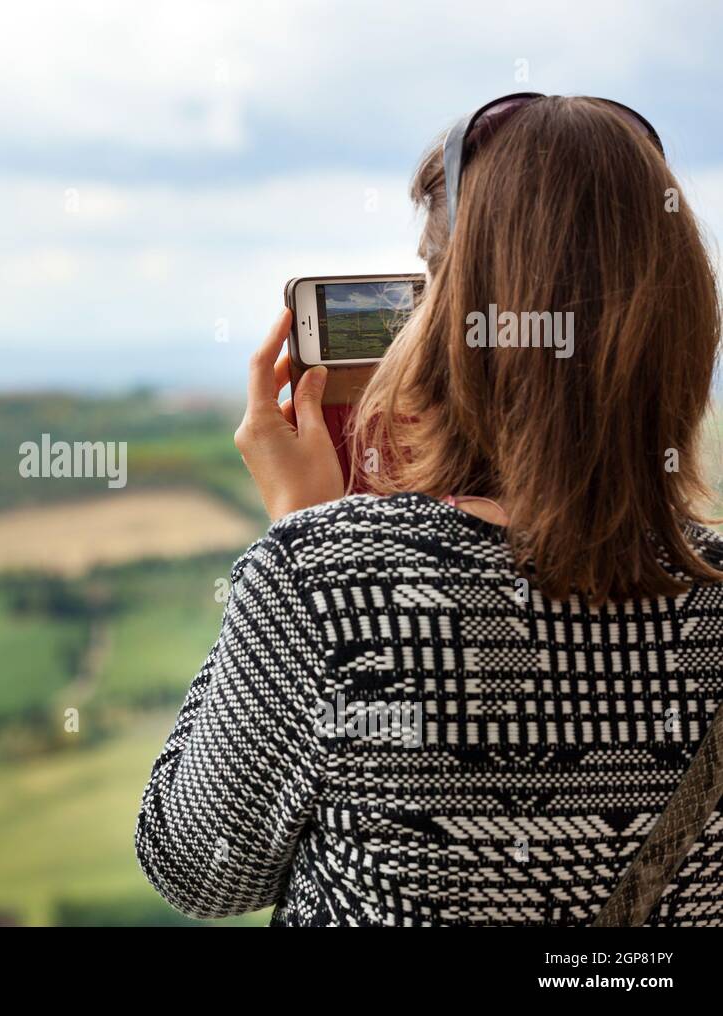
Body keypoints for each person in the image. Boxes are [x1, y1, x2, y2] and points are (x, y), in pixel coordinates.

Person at [135, 94, 723, 925]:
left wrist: (306, 534)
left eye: (431, 272)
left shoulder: (324, 585)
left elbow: (197, 869)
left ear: (457, 316)